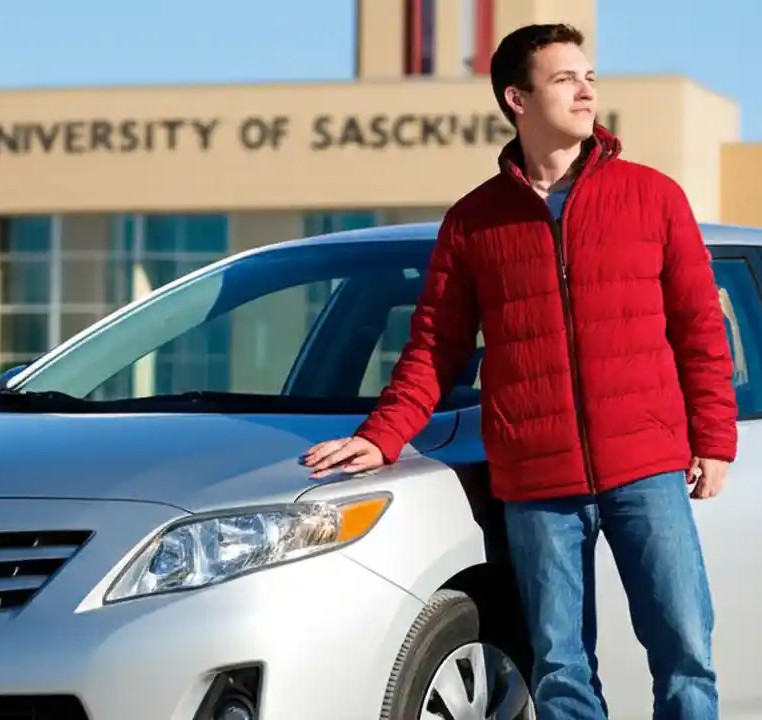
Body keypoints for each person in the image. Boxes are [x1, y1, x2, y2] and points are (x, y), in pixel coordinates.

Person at [302, 22, 737, 720]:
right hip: (537, 481)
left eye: (589, 76)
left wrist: (713, 438)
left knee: (685, 651)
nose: (586, 90)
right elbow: (434, 346)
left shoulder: (652, 197)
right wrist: (383, 437)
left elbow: (700, 330)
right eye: (566, 79)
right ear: (518, 98)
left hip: (647, 466)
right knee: (561, 669)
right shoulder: (475, 222)